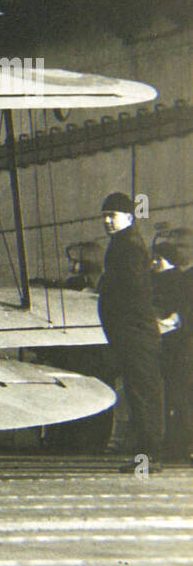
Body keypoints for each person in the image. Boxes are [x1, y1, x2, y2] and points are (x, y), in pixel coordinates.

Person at [97, 192, 166, 471]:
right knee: (141, 392)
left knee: (142, 394)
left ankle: (148, 458)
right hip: (133, 332)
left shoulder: (127, 247)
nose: (107, 221)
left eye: (112, 216)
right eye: (104, 217)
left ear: (128, 217)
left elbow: (133, 291)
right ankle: (147, 456)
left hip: (134, 333)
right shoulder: (124, 244)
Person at [152, 229, 192, 464]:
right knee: (181, 397)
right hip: (182, 346)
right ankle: (182, 445)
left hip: (181, 347)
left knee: (179, 396)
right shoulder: (182, 279)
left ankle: (180, 445)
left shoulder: (180, 280)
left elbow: (180, 313)